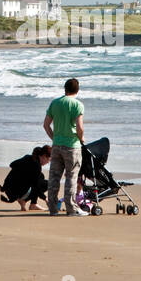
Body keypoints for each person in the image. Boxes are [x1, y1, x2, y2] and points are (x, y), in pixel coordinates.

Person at [43, 78, 86, 216]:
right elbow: (80, 128)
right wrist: (81, 138)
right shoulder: (77, 105)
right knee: (71, 177)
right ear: (77, 90)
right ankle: (71, 208)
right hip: (72, 146)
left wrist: (54, 138)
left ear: (65, 89)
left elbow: (46, 125)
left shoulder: (55, 103)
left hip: (57, 145)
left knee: (54, 177)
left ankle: (53, 208)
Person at [0, 145, 52, 211]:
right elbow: (36, 186)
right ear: (44, 156)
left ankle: (32, 204)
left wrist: (24, 172)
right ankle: (29, 203)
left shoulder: (28, 157)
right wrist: (46, 199)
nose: (48, 162)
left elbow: (12, 164)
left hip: (8, 190)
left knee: (40, 176)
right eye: (48, 160)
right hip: (16, 192)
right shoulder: (36, 166)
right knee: (48, 184)